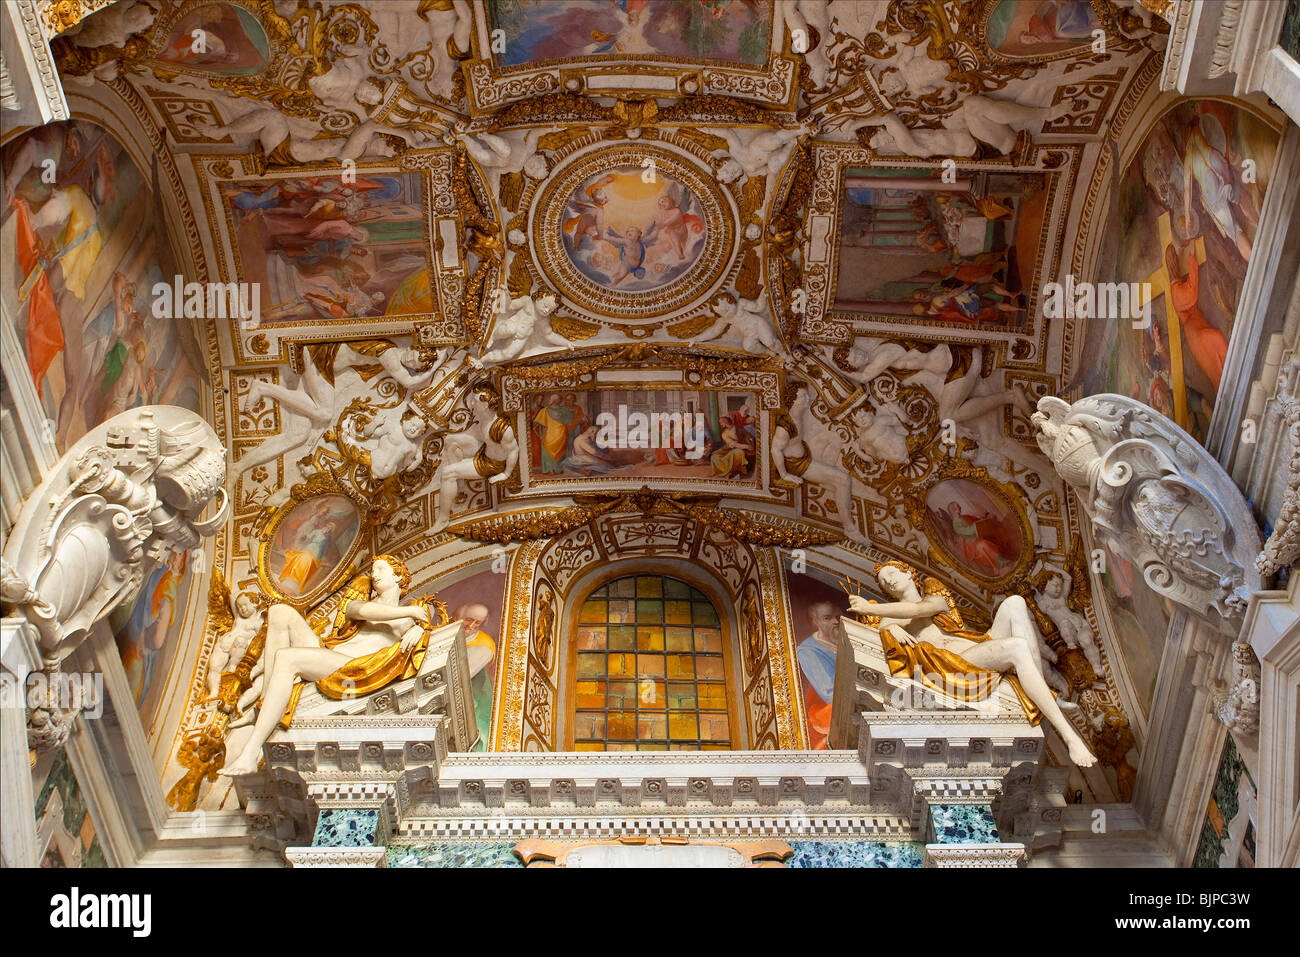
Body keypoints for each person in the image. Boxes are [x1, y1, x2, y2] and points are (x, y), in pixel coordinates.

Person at [847, 561, 1096, 766]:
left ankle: (1042, 687)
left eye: (891, 573)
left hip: (975, 648)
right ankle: (1069, 735)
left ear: (908, 572)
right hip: (954, 665)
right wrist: (887, 625)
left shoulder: (934, 597)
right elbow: (885, 630)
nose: (888, 580)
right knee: (1017, 647)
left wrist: (881, 613)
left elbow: (916, 609)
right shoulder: (890, 617)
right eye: (882, 583)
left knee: (1014, 603)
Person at [222, 556, 442, 776]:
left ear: (397, 576)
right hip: (328, 653)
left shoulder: (407, 623)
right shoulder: (368, 606)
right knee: (280, 612)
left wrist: (419, 629)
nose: (374, 574)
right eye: (373, 569)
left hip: (351, 667)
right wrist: (410, 612)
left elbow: (423, 638)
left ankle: (250, 753)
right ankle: (266, 703)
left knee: (287, 657)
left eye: (381, 569)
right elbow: (362, 612)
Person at [797, 601, 843, 750]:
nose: (835, 622)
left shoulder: (842, 641)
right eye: (827, 618)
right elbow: (829, 692)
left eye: (837, 617)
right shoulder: (808, 650)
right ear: (816, 622)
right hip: (825, 714)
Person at [453, 601, 495, 752]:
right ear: (458, 616)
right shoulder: (446, 632)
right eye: (468, 620)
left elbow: (460, 677)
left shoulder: (485, 645)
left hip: (473, 696)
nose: (471, 626)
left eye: (478, 622)